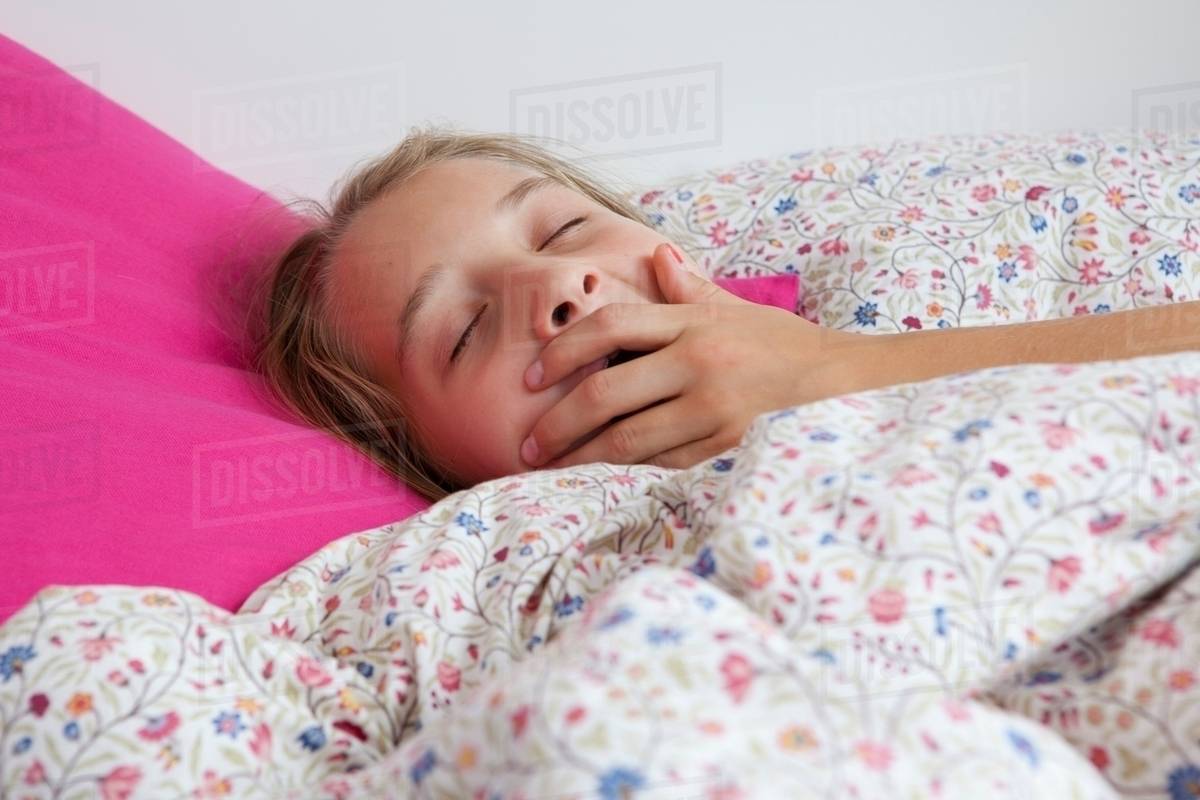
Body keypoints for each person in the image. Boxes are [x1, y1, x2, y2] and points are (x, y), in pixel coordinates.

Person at [250, 125, 1200, 504]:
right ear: (424, 464)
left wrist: (833, 368)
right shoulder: (491, 563)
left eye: (567, 228)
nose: (555, 289)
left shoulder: (910, 279)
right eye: (461, 333)